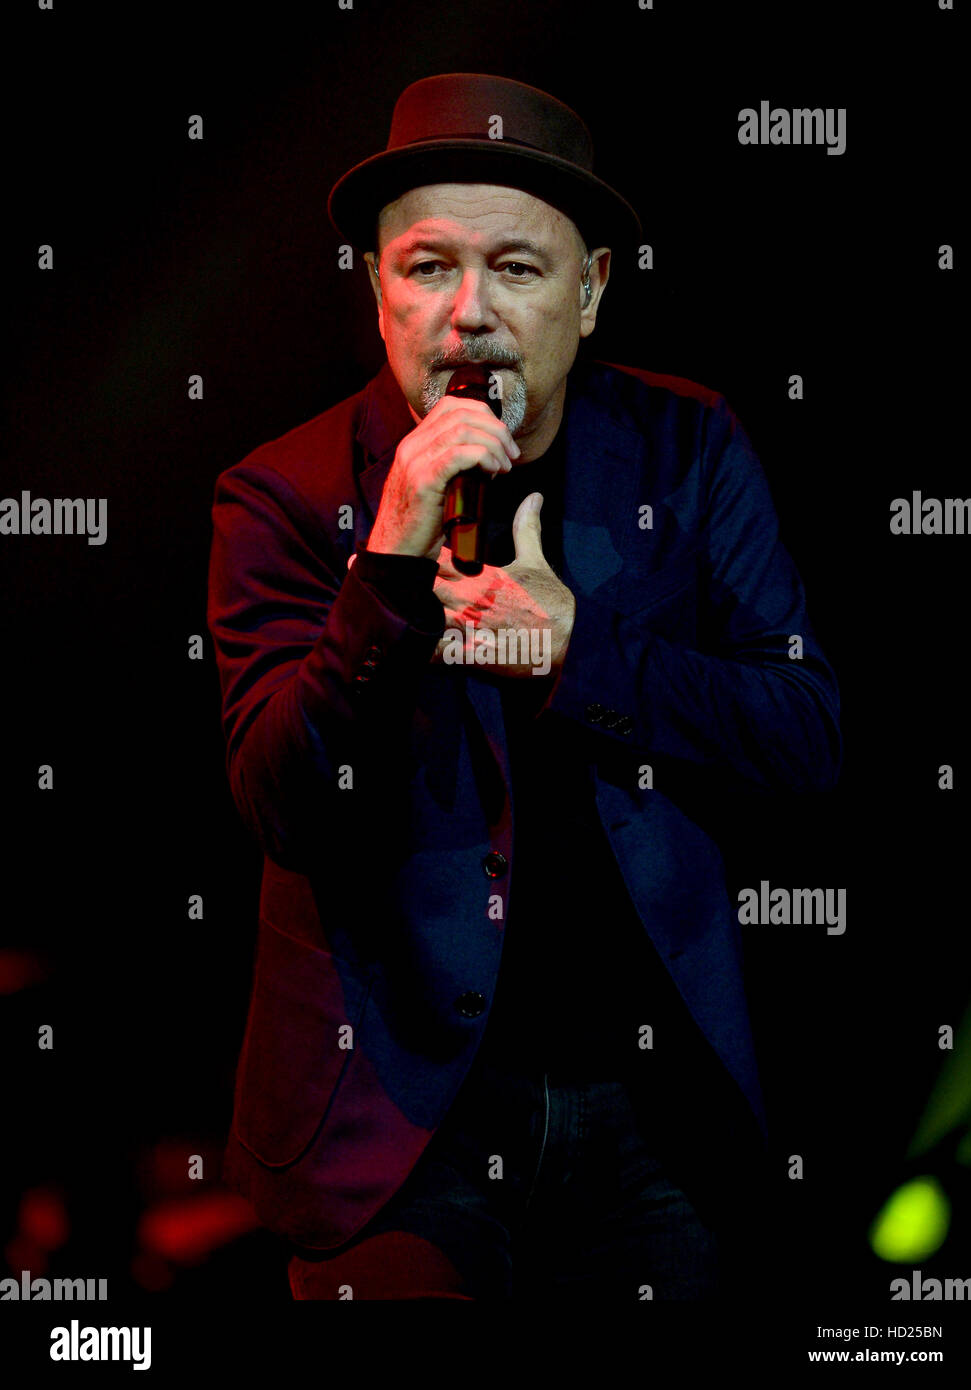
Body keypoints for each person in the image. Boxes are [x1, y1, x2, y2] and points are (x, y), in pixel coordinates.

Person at [206, 73, 842, 1301]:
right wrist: (383, 565)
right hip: (396, 1124)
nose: (469, 316)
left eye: (518, 269)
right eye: (428, 267)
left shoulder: (688, 446)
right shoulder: (280, 495)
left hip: (653, 1108)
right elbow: (283, 799)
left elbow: (808, 735)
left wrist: (579, 648)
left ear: (593, 289)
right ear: (377, 291)